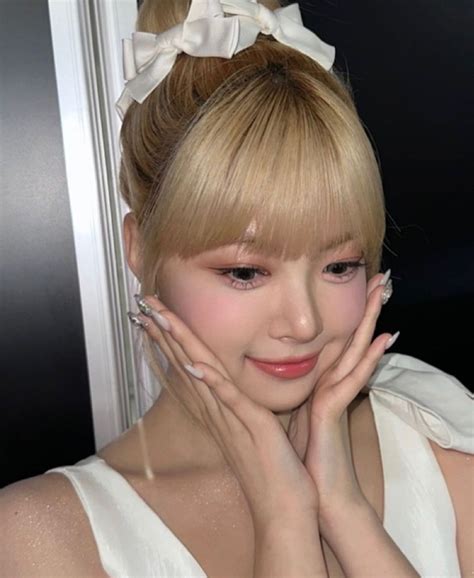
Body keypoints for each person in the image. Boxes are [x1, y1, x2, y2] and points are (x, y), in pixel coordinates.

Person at [1, 0, 472, 576]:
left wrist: (345, 512)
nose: (304, 323)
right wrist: (283, 520)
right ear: (140, 249)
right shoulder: (43, 540)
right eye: (245, 272)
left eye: (340, 266)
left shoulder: (437, 432)